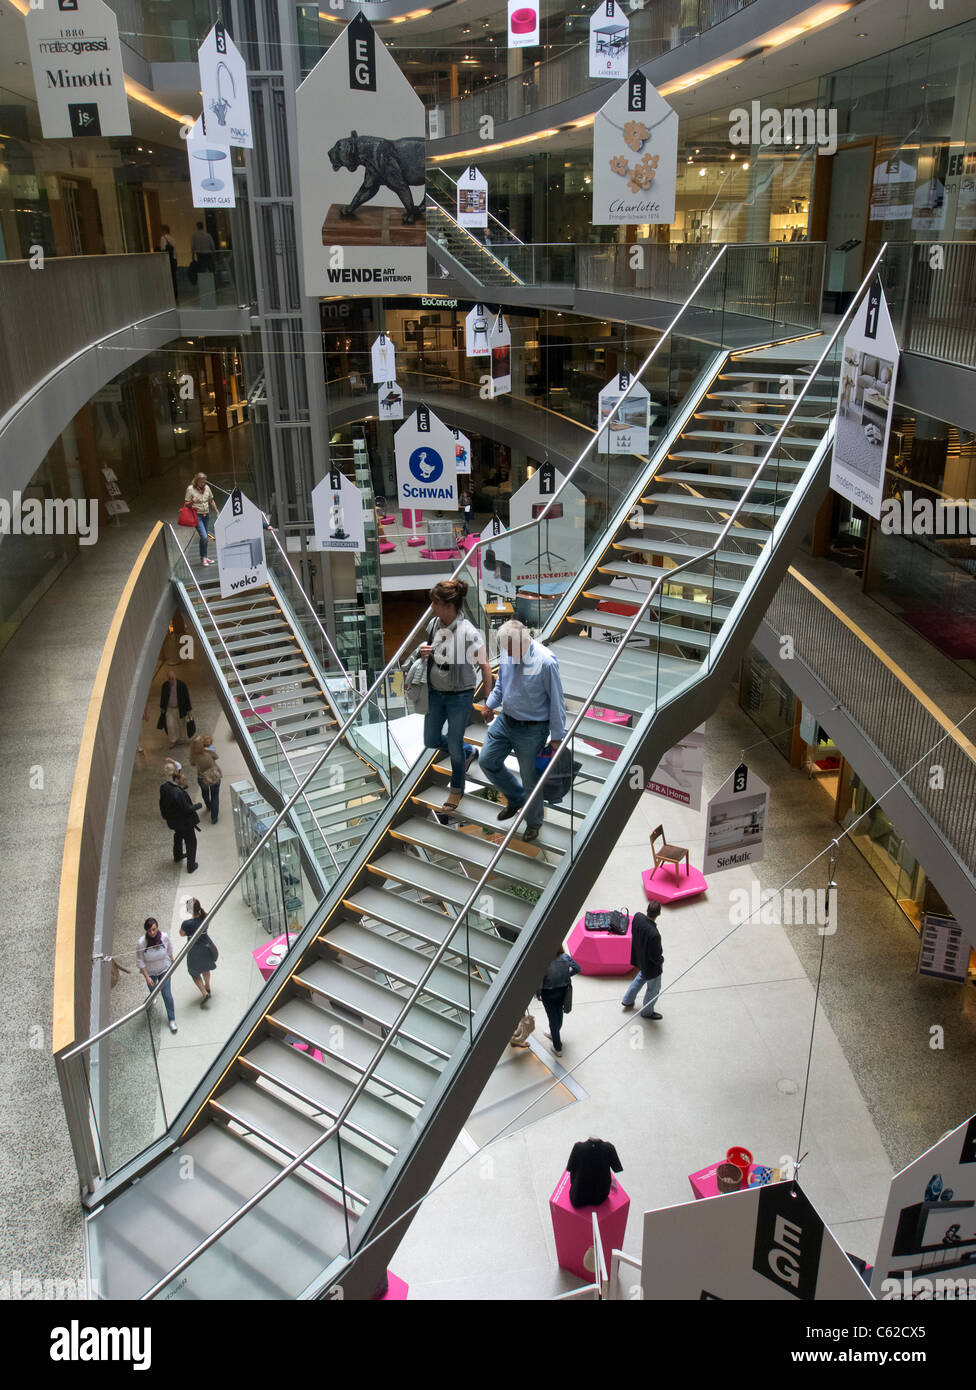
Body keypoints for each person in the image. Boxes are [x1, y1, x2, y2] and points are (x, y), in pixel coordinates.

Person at [480, 619, 566, 843]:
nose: (507, 655)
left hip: (532, 729)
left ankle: (534, 822)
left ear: (523, 642)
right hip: (506, 720)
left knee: (530, 780)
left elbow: (557, 701)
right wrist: (489, 704)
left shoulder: (545, 662)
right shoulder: (509, 653)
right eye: (505, 651)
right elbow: (501, 685)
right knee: (487, 760)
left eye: (510, 650)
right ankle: (516, 797)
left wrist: (557, 738)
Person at [420, 579, 493, 812]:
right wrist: (423, 651)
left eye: (435, 602)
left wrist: (488, 703)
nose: (432, 607)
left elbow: (485, 667)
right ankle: (467, 751)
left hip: (459, 696)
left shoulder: (469, 632)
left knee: (453, 743)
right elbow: (431, 650)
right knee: (430, 740)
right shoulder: (434, 624)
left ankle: (456, 789)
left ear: (448, 605)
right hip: (435, 693)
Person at [620, 903, 664, 1019]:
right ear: (658, 914)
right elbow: (655, 957)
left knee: (640, 978)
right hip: (651, 967)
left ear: (647, 909)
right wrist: (661, 960)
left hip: (640, 959)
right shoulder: (654, 935)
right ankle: (647, 1012)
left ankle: (628, 1000)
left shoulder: (638, 917)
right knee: (653, 989)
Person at [159, 761, 202, 874]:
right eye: (181, 776)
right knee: (191, 842)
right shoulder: (178, 792)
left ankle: (177, 855)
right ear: (175, 778)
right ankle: (191, 865)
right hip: (184, 822)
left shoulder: (164, 787)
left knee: (178, 835)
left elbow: (162, 804)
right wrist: (198, 805)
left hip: (173, 821)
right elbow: (186, 808)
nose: (183, 777)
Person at [136, 918, 177, 1033]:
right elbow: (140, 961)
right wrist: (147, 977)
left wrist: (173, 961)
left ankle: (171, 1019)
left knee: (167, 995)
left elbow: (169, 949)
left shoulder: (164, 937)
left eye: (154, 929)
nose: (152, 933)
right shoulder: (141, 943)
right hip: (150, 972)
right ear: (146, 931)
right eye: (149, 931)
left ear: (157, 927)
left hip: (164, 969)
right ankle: (152, 997)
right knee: (153, 990)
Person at [537, 950, 580, 1057]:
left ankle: (557, 1047)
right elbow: (577, 968)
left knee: (552, 1018)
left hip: (548, 993)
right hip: (563, 991)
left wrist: (538, 994)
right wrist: (567, 976)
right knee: (559, 1012)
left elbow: (538, 980)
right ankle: (553, 1032)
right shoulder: (564, 956)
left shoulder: (542, 960)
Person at [566, 1137, 623, 1209]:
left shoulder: (578, 1147)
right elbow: (617, 1168)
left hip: (578, 1197)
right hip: (600, 1197)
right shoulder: (609, 1147)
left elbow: (569, 1168)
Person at [180, 898, 217, 1004]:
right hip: (206, 948)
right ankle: (208, 986)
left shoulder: (186, 924)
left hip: (194, 951)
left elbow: (181, 933)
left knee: (194, 972)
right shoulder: (205, 917)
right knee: (206, 969)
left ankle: (204, 993)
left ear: (190, 910)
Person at [184, 471, 219, 565]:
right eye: (202, 482)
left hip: (206, 515)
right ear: (197, 481)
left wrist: (216, 511)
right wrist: (192, 501)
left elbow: (211, 500)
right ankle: (203, 557)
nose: (204, 484)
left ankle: (204, 557)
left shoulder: (207, 488)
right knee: (204, 536)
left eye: (205, 482)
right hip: (197, 516)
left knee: (205, 538)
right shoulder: (190, 489)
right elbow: (186, 504)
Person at [189, 732, 222, 824]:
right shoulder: (209, 751)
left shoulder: (194, 756)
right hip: (213, 776)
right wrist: (209, 747)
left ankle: (208, 805)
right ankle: (214, 817)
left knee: (205, 793)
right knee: (215, 796)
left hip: (202, 777)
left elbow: (192, 763)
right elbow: (216, 757)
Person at [158, 667, 192, 746]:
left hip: (180, 709)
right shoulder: (165, 686)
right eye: (169, 679)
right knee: (170, 725)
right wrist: (162, 708)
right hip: (169, 709)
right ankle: (173, 740)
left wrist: (188, 710)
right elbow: (163, 697)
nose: (171, 680)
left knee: (182, 724)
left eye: (172, 678)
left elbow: (186, 698)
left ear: (175, 676)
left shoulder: (182, 685)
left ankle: (184, 738)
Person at [158, 224, 178, 296]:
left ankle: (170, 294)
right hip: (174, 259)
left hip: (168, 260)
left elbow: (163, 249)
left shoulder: (163, 238)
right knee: (174, 277)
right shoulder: (172, 238)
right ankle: (175, 293)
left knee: (169, 278)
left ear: (163, 230)